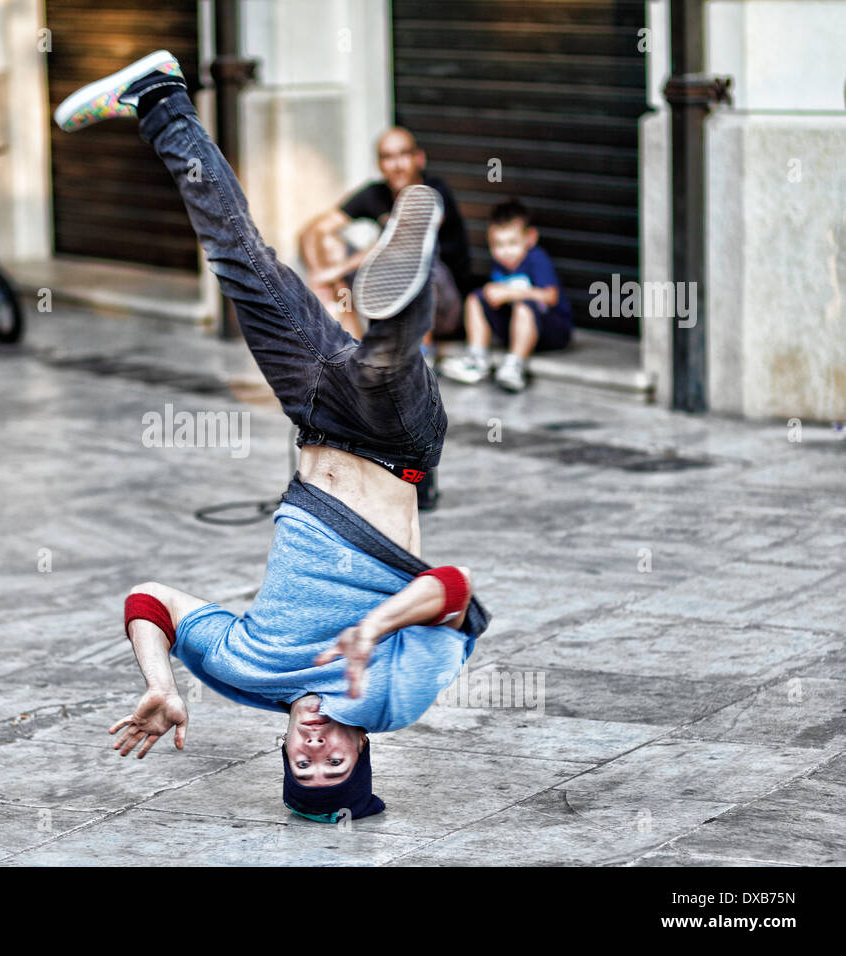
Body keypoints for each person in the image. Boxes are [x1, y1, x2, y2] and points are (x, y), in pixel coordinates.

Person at [54, 52, 490, 823]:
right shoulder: (388, 698)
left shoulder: (246, 674)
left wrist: (162, 680)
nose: (317, 750)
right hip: (399, 448)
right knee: (389, 361)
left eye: (304, 766)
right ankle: (397, 292)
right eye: (335, 764)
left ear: (283, 753)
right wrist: (377, 625)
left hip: (314, 417)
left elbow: (150, 599)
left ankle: (158, 100)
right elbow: (453, 592)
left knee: (240, 262)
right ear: (362, 751)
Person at [299, 127, 472, 366]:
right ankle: (355, 353)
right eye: (387, 157)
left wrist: (336, 270)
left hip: (443, 307)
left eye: (403, 154)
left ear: (419, 158)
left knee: (418, 259)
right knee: (330, 246)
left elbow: (401, 248)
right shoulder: (374, 194)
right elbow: (313, 230)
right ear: (379, 165)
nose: (396, 164)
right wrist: (319, 273)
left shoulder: (432, 193)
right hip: (391, 302)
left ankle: (423, 351)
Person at [440, 199, 572, 393]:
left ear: (530, 238)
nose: (505, 252)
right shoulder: (500, 264)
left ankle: (515, 365)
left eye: (512, 243)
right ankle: (477, 358)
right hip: (518, 329)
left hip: (551, 331)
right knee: (476, 297)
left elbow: (550, 296)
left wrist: (510, 293)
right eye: (497, 245)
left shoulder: (536, 259)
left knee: (523, 305)